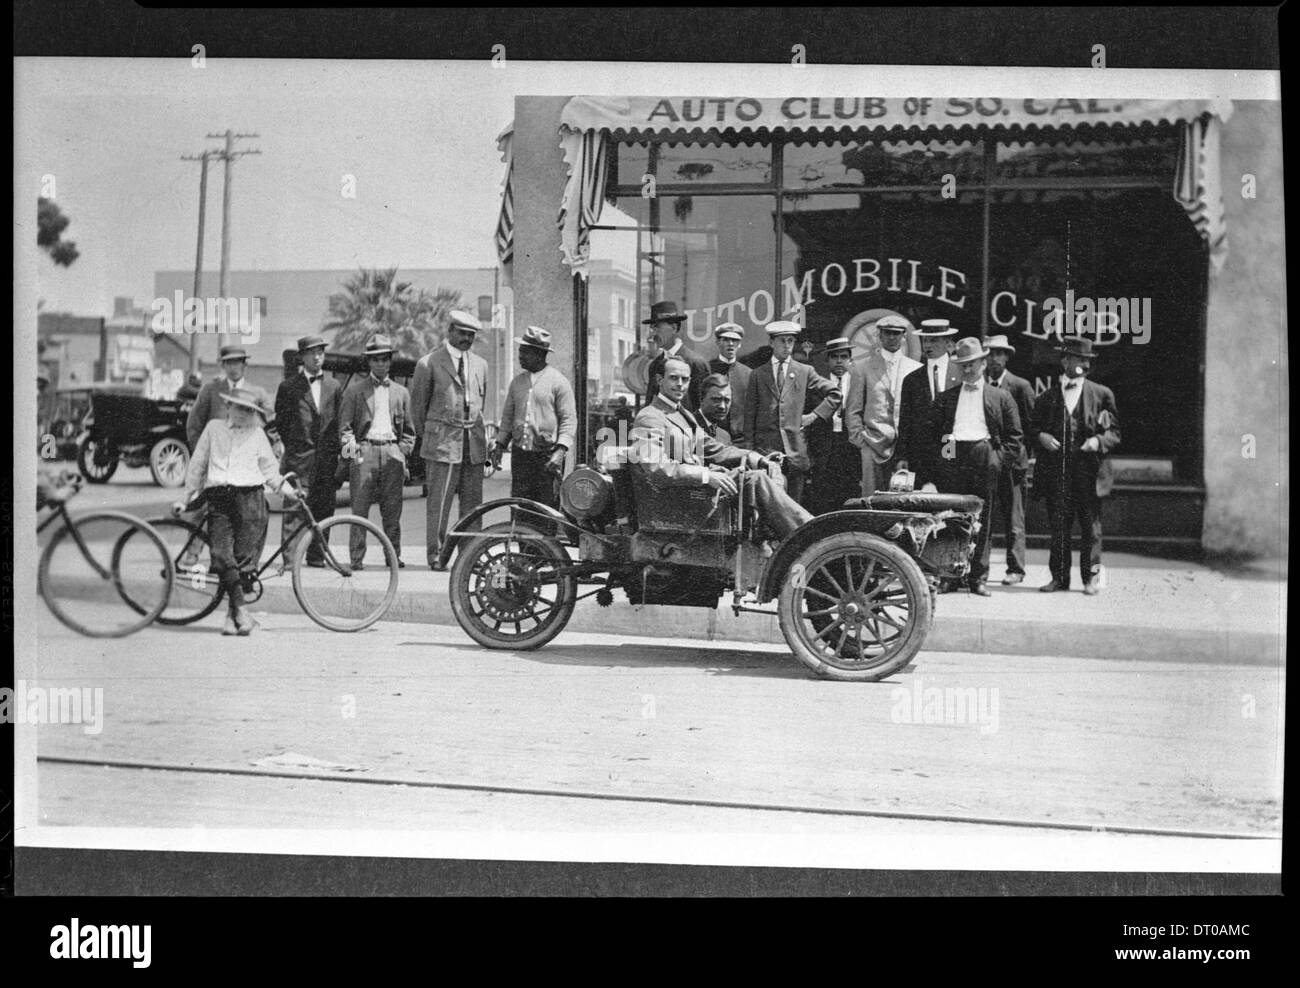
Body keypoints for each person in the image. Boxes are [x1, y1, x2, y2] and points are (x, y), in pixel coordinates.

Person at [631, 356, 810, 543]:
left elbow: (716, 449)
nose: (680, 384)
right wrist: (707, 476)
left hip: (695, 494)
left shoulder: (681, 415)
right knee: (755, 480)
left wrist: (756, 458)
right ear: (660, 380)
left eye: (685, 379)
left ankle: (778, 537)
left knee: (769, 470)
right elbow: (657, 469)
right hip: (678, 500)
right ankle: (808, 535)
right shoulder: (649, 417)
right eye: (674, 378)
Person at [175, 385, 299, 635]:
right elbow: (198, 464)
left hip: (250, 501)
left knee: (243, 562)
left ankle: (231, 619)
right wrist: (186, 497)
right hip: (219, 499)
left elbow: (270, 473)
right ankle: (242, 610)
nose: (243, 414)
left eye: (249, 410)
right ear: (228, 407)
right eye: (239, 408)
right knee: (221, 555)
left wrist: (290, 492)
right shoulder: (213, 429)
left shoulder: (257, 434)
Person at [1031, 336, 1121, 596]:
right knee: (1059, 526)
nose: (1084, 364)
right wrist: (1041, 437)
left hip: (1089, 471)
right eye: (1079, 359)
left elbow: (1114, 432)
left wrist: (1097, 441)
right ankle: (1058, 578)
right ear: (1065, 361)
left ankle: (1090, 579)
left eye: (1087, 360)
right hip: (1057, 472)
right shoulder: (1046, 397)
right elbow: (1032, 429)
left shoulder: (1102, 395)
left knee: (1091, 527)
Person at [936, 338, 1024, 596]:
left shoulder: (1001, 396)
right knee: (953, 520)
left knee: (983, 521)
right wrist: (947, 461)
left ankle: (978, 578)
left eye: (971, 364)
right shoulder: (948, 398)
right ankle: (951, 577)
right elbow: (943, 433)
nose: (967, 370)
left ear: (983, 363)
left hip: (985, 458)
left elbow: (1015, 437)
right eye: (962, 365)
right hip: (956, 460)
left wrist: (997, 461)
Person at [409, 310, 489, 570]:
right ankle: (437, 555)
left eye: (471, 335)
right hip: (442, 443)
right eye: (462, 333)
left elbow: (481, 402)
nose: (467, 339)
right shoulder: (428, 363)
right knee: (439, 503)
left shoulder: (480, 364)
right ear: (449, 331)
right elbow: (418, 409)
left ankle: (470, 556)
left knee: (472, 505)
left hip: (472, 443)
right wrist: (431, 436)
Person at [740, 320, 840, 505]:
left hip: (795, 453)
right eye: (782, 341)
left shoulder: (804, 371)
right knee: (767, 504)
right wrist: (750, 451)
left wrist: (813, 416)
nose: (787, 346)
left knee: (793, 506)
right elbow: (749, 416)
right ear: (771, 343)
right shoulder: (758, 374)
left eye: (790, 341)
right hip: (766, 453)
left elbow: (835, 393)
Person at [339, 334, 417, 569]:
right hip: (366, 452)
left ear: (390, 361)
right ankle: (356, 559)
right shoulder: (355, 391)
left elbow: (410, 432)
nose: (381, 364)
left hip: (391, 452)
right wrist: (355, 457)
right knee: (359, 510)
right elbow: (344, 429)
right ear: (369, 362)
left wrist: (401, 453)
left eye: (385, 359)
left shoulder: (401, 392)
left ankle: (393, 556)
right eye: (376, 360)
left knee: (392, 511)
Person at [489, 325, 577, 516]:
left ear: (539, 354)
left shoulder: (558, 382)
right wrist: (499, 445)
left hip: (547, 457)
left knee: (546, 510)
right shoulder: (517, 383)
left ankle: (545, 547)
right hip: (521, 456)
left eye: (524, 352)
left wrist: (560, 452)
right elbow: (508, 418)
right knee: (520, 508)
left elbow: (569, 420)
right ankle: (522, 546)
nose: (520, 356)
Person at [274, 335, 343, 567]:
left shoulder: (334, 386)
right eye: (312, 353)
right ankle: (290, 559)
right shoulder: (288, 387)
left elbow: (339, 424)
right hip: (299, 461)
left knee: (324, 510)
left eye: (321, 352)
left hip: (326, 462)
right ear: (302, 357)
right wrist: (295, 448)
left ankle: (317, 556)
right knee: (294, 512)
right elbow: (281, 424)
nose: (317, 357)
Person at [845, 314, 920, 493]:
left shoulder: (915, 368)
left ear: (904, 337)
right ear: (879, 335)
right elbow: (853, 409)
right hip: (872, 444)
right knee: (872, 500)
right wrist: (861, 440)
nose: (892, 337)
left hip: (904, 448)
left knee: (903, 501)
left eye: (896, 333)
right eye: (888, 333)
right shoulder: (862, 367)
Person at [984, 334, 1036, 585]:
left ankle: (1015, 568)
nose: (994, 359)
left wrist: (1020, 455)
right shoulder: (976, 385)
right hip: (985, 462)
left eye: (999, 353)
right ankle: (976, 568)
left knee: (1014, 517)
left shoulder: (1020, 386)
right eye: (990, 353)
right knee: (983, 517)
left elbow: (1030, 426)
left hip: (1013, 462)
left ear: (1006, 357)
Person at [896, 319, 961, 490]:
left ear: (947, 342)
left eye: (934, 340)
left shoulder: (961, 373)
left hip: (952, 450)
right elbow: (905, 420)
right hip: (920, 454)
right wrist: (902, 456)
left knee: (951, 503)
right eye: (925, 340)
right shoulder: (912, 379)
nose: (928, 345)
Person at [807, 336, 866, 514]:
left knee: (851, 492)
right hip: (824, 446)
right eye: (834, 357)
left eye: (843, 357)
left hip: (850, 446)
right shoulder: (817, 383)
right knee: (823, 494)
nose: (839, 361)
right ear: (827, 360)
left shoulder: (859, 381)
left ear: (851, 359)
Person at [186, 344, 279, 453]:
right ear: (223, 366)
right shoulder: (210, 391)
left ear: (245, 365)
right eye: (229, 363)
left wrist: (263, 451)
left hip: (247, 459)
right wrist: (201, 453)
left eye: (237, 362)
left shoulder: (258, 393)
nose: (233, 368)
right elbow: (194, 425)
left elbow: (273, 425)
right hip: (217, 457)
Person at [643, 300, 710, 412]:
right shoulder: (655, 365)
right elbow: (649, 405)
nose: (653, 334)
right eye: (652, 329)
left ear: (674, 328)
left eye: (657, 328)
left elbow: (703, 409)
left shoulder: (695, 363)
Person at [707, 322, 750, 442]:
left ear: (740, 344)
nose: (731, 344)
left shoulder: (748, 374)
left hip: (741, 440)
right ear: (717, 342)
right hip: (712, 438)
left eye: (735, 340)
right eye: (726, 340)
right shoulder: (707, 370)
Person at [695, 373, 735, 443]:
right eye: (716, 400)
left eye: (727, 400)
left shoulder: (724, 436)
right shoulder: (687, 427)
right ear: (702, 399)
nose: (722, 406)